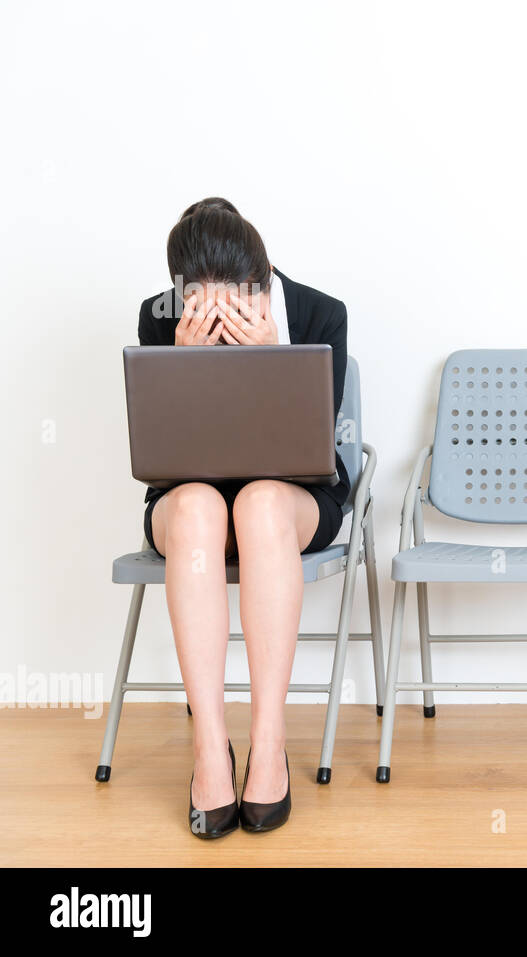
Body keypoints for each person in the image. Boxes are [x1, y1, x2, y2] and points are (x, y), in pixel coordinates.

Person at [137, 198, 348, 838]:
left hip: (290, 501)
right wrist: (181, 363)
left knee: (258, 501)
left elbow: (313, 458)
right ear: (182, 293)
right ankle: (210, 751)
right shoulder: (158, 317)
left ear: (266, 275)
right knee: (201, 506)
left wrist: (275, 357)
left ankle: (268, 741)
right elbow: (164, 465)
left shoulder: (319, 313)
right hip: (189, 502)